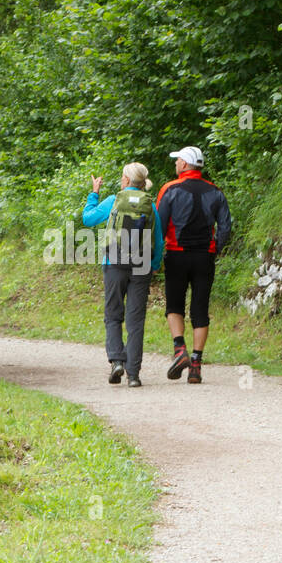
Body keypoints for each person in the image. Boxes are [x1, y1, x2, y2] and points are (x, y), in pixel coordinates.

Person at [82, 162, 165, 387]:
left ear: (127, 181)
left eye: (122, 177)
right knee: (136, 320)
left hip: (114, 263)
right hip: (141, 266)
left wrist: (94, 193)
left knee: (113, 314)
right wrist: (155, 264)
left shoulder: (114, 201)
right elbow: (158, 240)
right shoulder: (151, 205)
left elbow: (87, 219)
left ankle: (117, 361)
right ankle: (134, 375)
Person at [156, 145, 232, 384]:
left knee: (174, 306)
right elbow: (226, 227)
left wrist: (156, 256)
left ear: (185, 164)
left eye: (177, 160)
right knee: (200, 310)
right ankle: (196, 365)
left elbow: (159, 225)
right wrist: (216, 248)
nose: (175, 163)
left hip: (177, 255)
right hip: (204, 257)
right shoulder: (216, 191)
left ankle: (180, 350)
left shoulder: (169, 189)